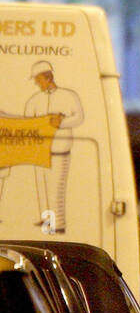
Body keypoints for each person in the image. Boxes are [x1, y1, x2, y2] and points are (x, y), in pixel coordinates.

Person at [24, 61, 84, 233]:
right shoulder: (35, 100)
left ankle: (59, 224)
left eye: (38, 79)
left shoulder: (69, 96)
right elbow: (28, 121)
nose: (36, 83)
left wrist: (60, 123)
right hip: (40, 151)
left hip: (60, 150)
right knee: (42, 187)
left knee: (56, 189)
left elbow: (78, 118)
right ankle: (46, 221)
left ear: (47, 77)